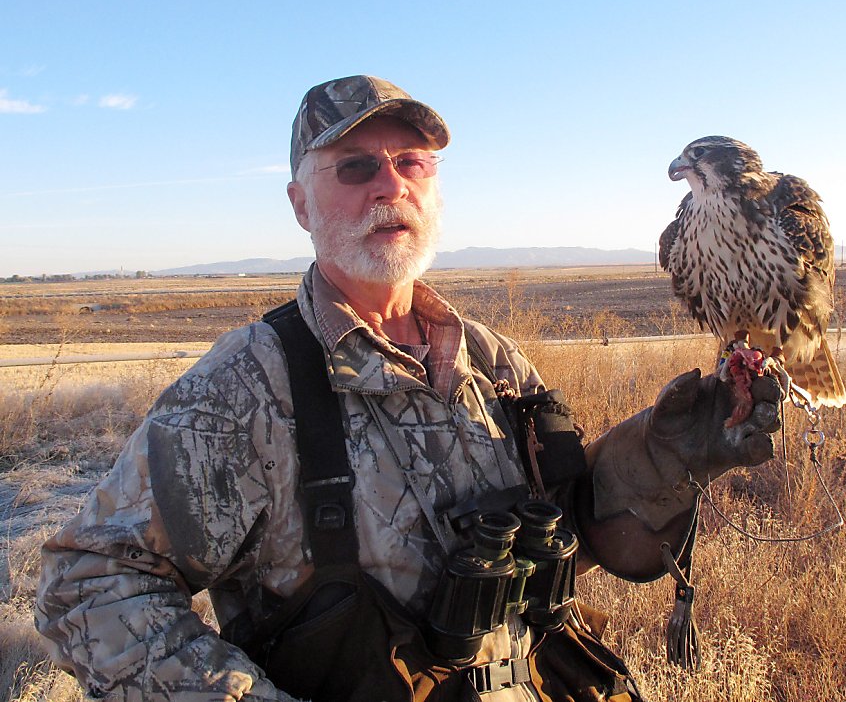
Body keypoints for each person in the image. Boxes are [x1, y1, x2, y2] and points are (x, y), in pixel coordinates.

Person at [35, 75, 782, 701]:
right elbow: (87, 582)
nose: (388, 185)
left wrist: (665, 453)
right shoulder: (244, 389)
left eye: (412, 163)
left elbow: (575, 535)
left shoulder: (492, 362)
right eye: (353, 167)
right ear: (300, 205)